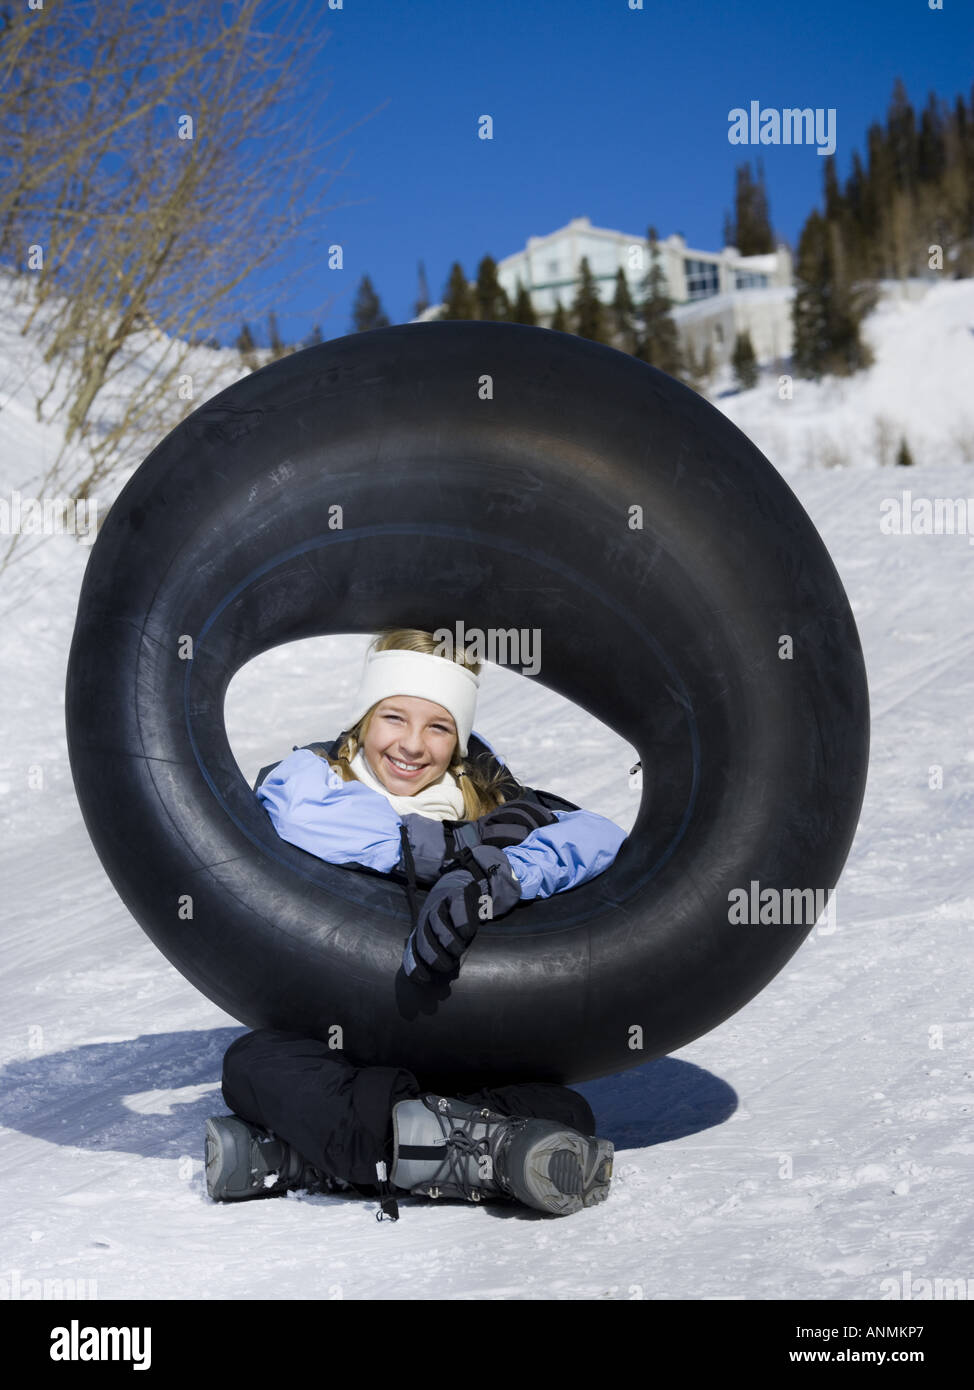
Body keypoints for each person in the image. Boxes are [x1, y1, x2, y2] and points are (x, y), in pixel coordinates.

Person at [204, 628, 627, 1220]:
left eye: (439, 727)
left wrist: (502, 873)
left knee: (565, 1109)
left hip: (455, 1049)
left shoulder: (493, 802)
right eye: (394, 717)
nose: (412, 744)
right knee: (255, 1066)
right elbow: (300, 810)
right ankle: (484, 1153)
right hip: (339, 1042)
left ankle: (307, 1158)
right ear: (365, 718)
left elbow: (600, 835)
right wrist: (453, 852)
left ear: (459, 741)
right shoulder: (316, 780)